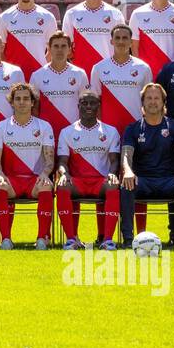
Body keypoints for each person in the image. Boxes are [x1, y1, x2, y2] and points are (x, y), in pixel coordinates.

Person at [119, 83, 174, 247]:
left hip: (169, 180)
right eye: (149, 98)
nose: (153, 102)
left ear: (163, 103)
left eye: (156, 98)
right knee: (126, 184)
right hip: (143, 181)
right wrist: (128, 171)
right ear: (143, 102)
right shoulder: (132, 129)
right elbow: (126, 155)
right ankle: (127, 239)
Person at [0, 82, 56, 250]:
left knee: (46, 185)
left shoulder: (44, 126)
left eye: (26, 99)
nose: (22, 102)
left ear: (32, 102)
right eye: (17, 99)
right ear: (11, 102)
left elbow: (49, 159)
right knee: (0, 186)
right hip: (11, 180)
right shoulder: (0, 127)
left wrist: (45, 173)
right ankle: (6, 239)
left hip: (34, 179)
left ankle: (42, 238)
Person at [53, 90, 122, 250]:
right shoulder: (67, 132)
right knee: (62, 185)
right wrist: (64, 174)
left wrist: (112, 174)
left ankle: (107, 240)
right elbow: (62, 161)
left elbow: (114, 160)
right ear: (78, 106)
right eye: (84, 103)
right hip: (78, 182)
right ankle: (71, 239)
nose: (89, 106)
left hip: (101, 182)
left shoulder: (110, 131)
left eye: (93, 103)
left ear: (99, 106)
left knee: (113, 185)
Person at [61, 0, 126, 76]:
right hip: (80, 74)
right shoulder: (72, 14)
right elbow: (66, 46)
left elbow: (122, 45)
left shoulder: (115, 14)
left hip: (109, 73)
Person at [89, 24, 152, 133]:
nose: (121, 41)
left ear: (131, 42)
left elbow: (148, 100)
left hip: (137, 128)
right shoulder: (98, 68)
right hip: (108, 131)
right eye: (117, 38)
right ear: (111, 41)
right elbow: (95, 101)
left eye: (125, 38)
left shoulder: (143, 68)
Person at [0, 0, 58, 78]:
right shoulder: (5, 17)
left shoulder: (48, 17)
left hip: (39, 74)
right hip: (12, 75)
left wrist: (41, 67)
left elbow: (53, 49)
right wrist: (9, 69)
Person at [30, 31, 89, 139]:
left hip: (74, 133)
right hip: (46, 134)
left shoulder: (80, 74)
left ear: (70, 49)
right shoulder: (37, 75)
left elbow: (85, 106)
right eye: (56, 46)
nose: (60, 50)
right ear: (49, 48)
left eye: (63, 46)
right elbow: (34, 109)